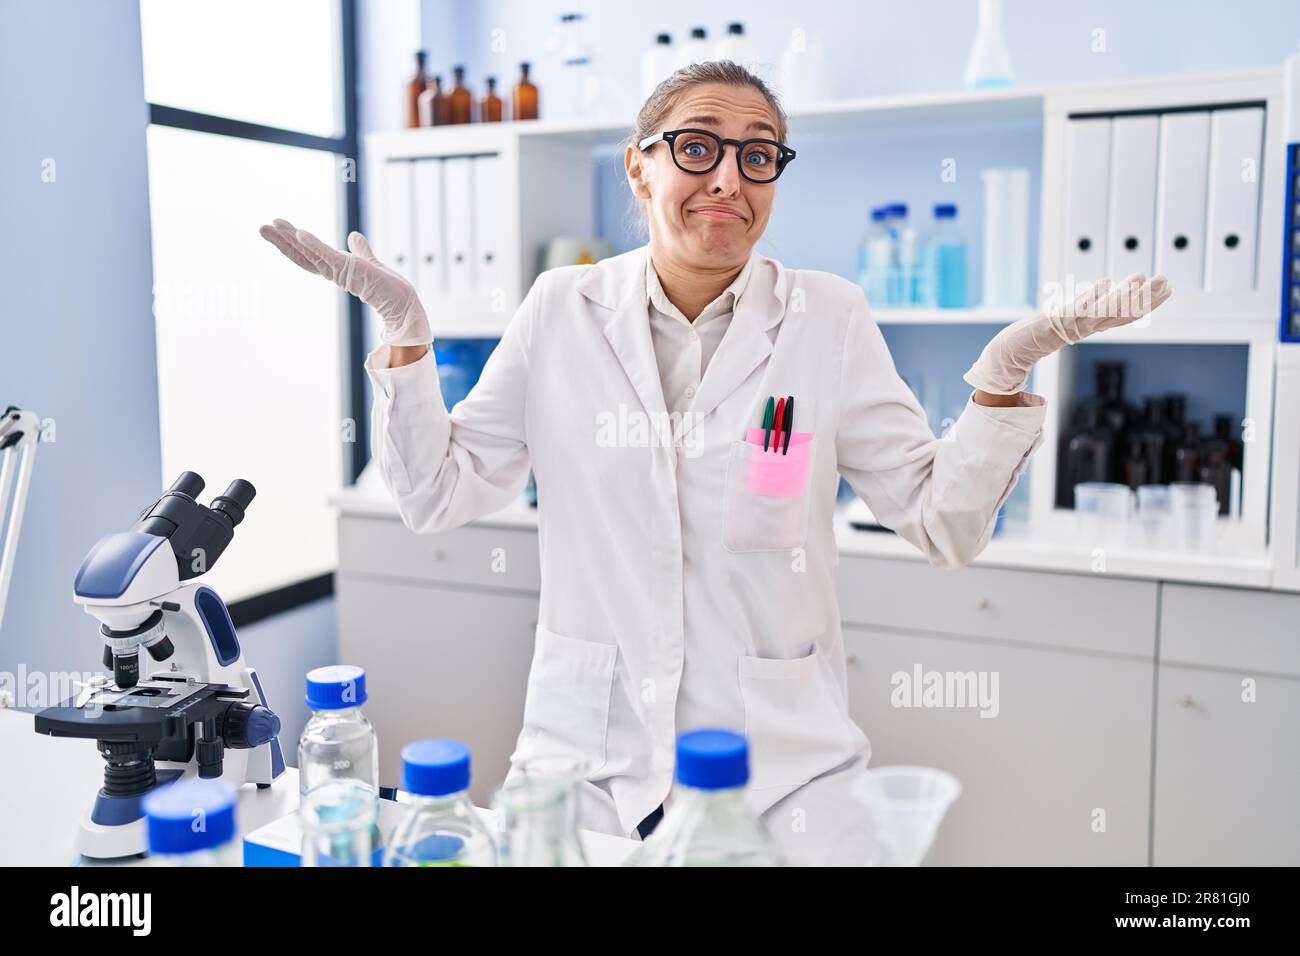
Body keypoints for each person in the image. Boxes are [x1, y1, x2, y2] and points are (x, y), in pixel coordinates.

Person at [261, 60, 1171, 864]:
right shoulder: (558, 309)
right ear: (639, 163)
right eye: (697, 148)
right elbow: (435, 494)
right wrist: (408, 343)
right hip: (586, 758)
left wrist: (1002, 377)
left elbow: (944, 523)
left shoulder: (831, 316)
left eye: (758, 154)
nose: (728, 178)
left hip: (788, 767)